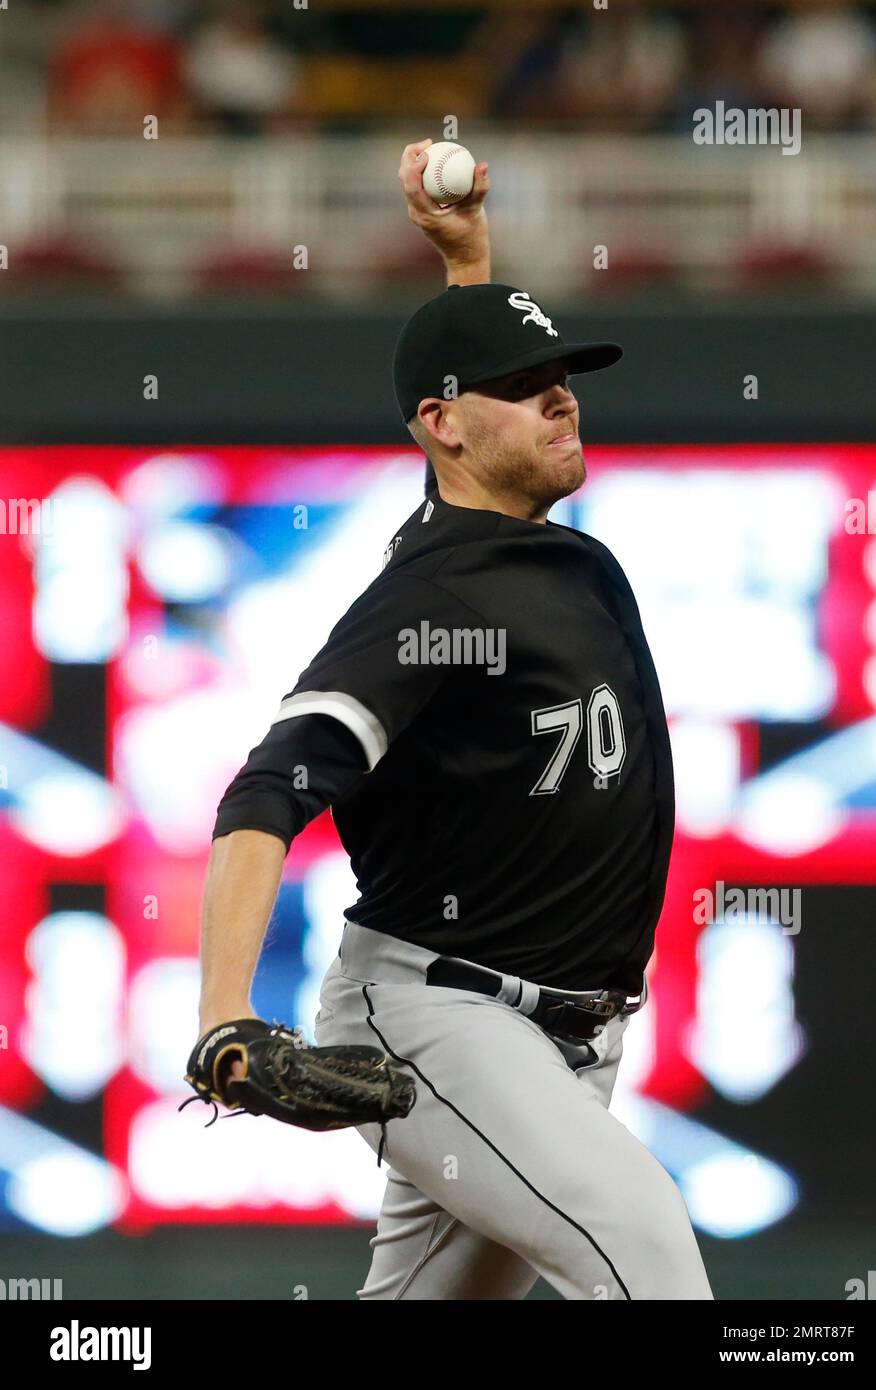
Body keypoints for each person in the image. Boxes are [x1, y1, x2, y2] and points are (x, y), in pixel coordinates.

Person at [195, 138, 713, 1301]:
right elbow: (266, 790)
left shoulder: (542, 556)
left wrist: (469, 265)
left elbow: (469, 404)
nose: (562, 393)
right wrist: (225, 1016)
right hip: (439, 1017)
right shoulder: (428, 602)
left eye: (563, 371)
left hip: (569, 1037)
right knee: (648, 1256)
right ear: (443, 424)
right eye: (529, 386)